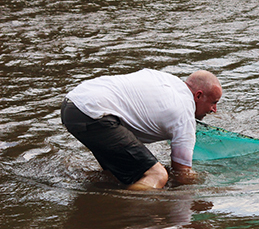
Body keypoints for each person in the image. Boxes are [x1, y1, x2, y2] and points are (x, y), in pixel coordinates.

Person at [61, 69, 222, 190]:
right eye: (213, 102)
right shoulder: (184, 113)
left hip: (71, 105)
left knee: (119, 176)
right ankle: (125, 214)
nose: (214, 110)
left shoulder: (168, 80)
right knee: (157, 175)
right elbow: (181, 174)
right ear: (198, 95)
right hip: (93, 114)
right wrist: (213, 185)